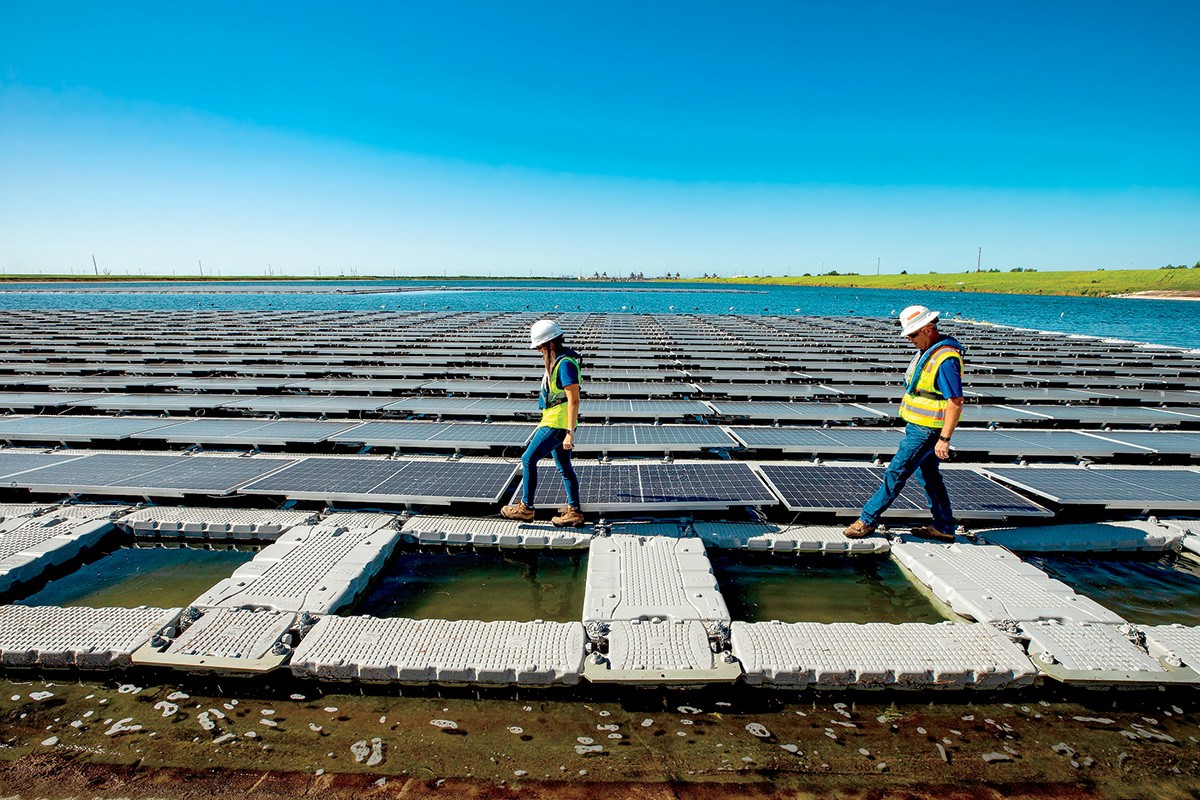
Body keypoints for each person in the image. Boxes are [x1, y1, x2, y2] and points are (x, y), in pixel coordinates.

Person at [843, 305, 964, 542]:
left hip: (927, 430)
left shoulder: (945, 359)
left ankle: (867, 520)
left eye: (912, 334)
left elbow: (956, 401)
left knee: (896, 472)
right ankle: (944, 526)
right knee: (929, 477)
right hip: (918, 426)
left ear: (928, 329)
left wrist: (944, 439)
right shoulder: (929, 351)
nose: (909, 339)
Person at [501, 319, 585, 527]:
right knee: (565, 467)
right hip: (555, 420)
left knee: (528, 459)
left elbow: (573, 399)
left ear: (549, 344)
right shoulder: (559, 362)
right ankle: (574, 511)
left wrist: (569, 433)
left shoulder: (564, 365)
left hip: (557, 424)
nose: (538, 350)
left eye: (539, 346)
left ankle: (526, 508)